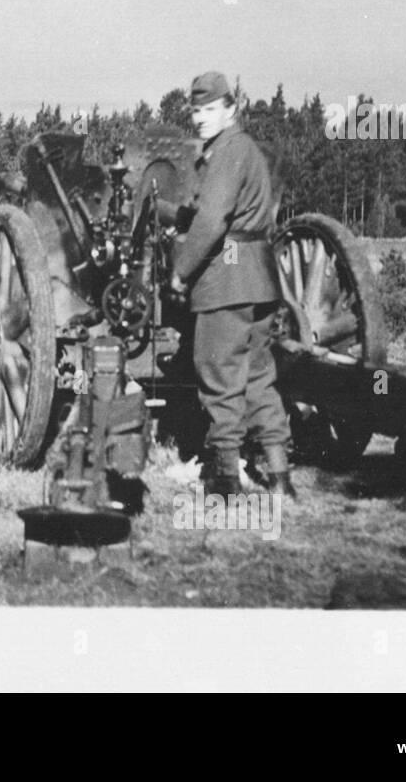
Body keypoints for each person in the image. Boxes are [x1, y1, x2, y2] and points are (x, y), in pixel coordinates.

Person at [169, 71, 293, 496]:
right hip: (260, 277)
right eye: (196, 111)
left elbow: (212, 220)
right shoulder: (249, 151)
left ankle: (225, 480)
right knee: (258, 376)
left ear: (230, 109)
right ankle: (279, 475)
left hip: (227, 278)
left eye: (209, 110)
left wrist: (180, 270)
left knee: (219, 376)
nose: (200, 118)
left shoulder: (226, 152)